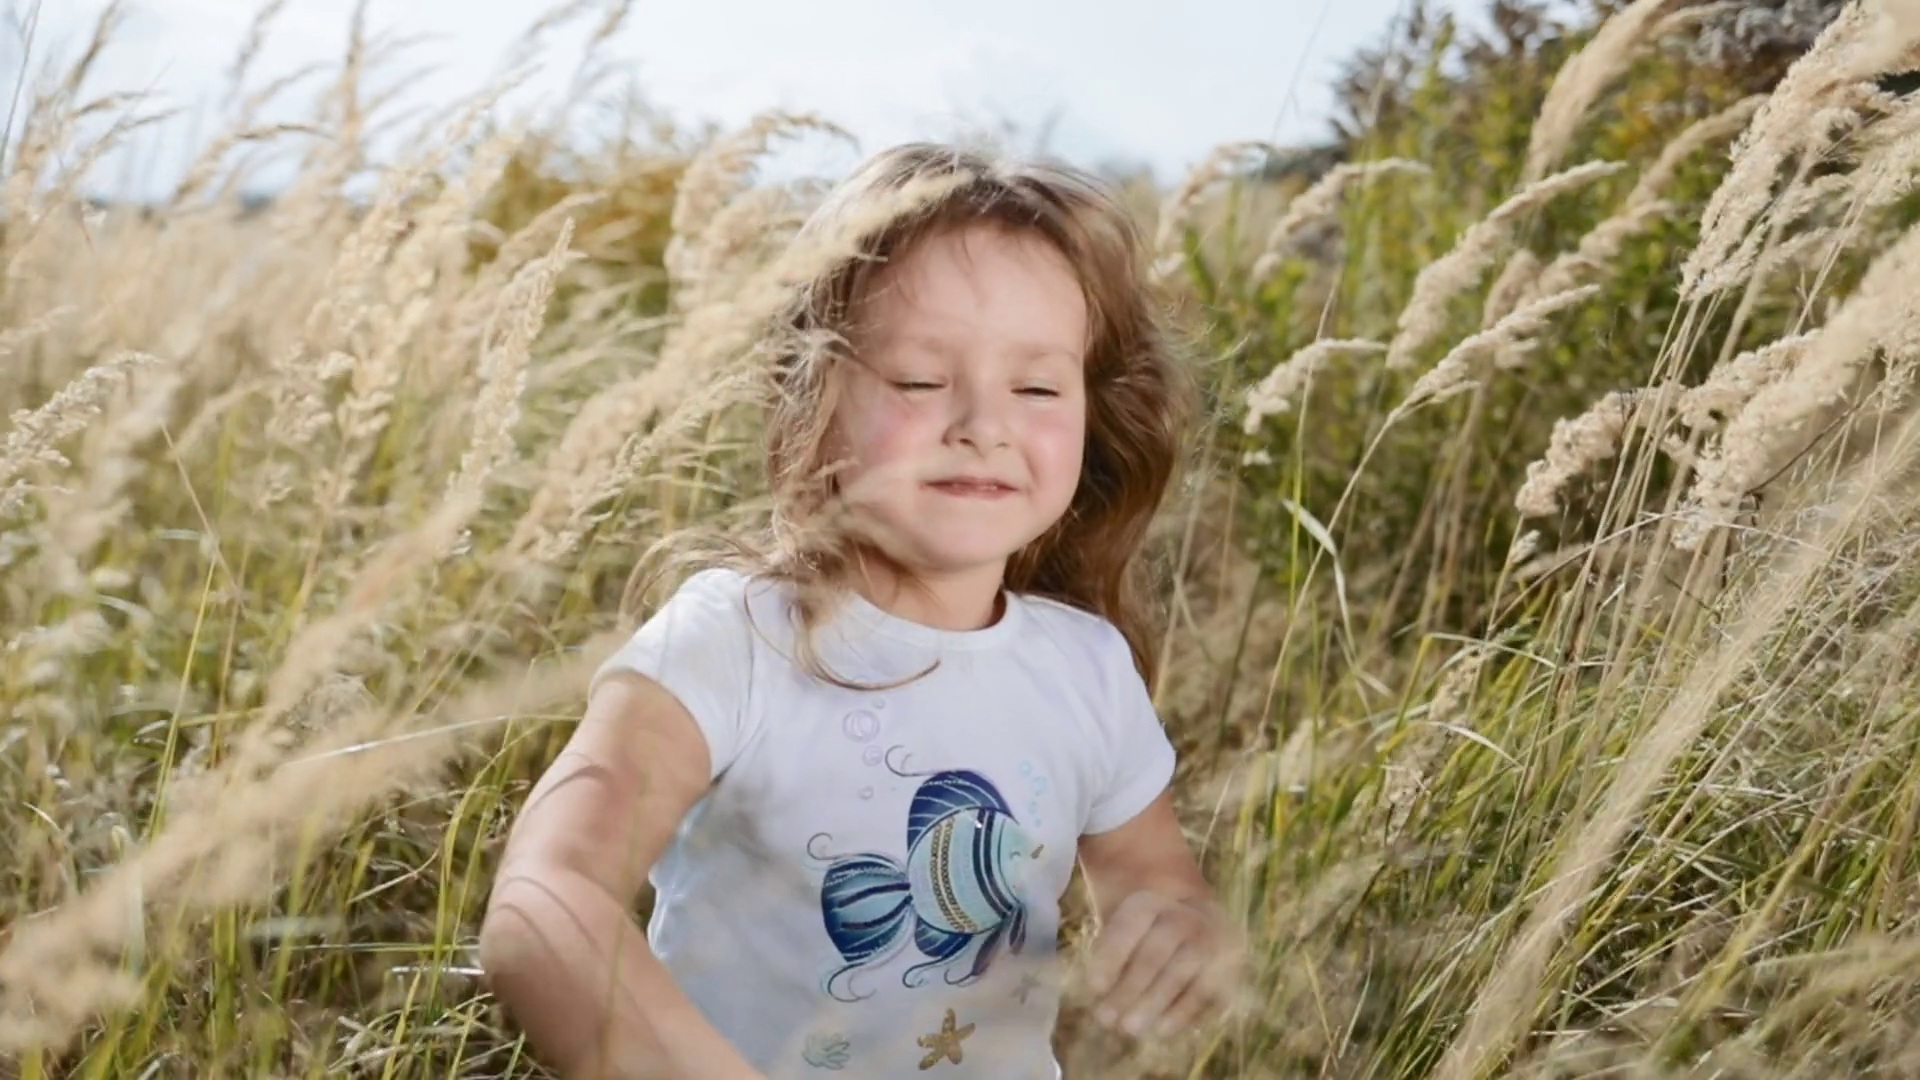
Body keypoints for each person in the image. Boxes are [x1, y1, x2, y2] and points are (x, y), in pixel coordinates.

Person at [478, 140, 1240, 1079]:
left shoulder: (1085, 665)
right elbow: (544, 902)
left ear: (1094, 412)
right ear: (812, 394)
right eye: (921, 379)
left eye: (1038, 386)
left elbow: (1158, 887)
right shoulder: (733, 641)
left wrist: (1178, 940)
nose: (983, 424)